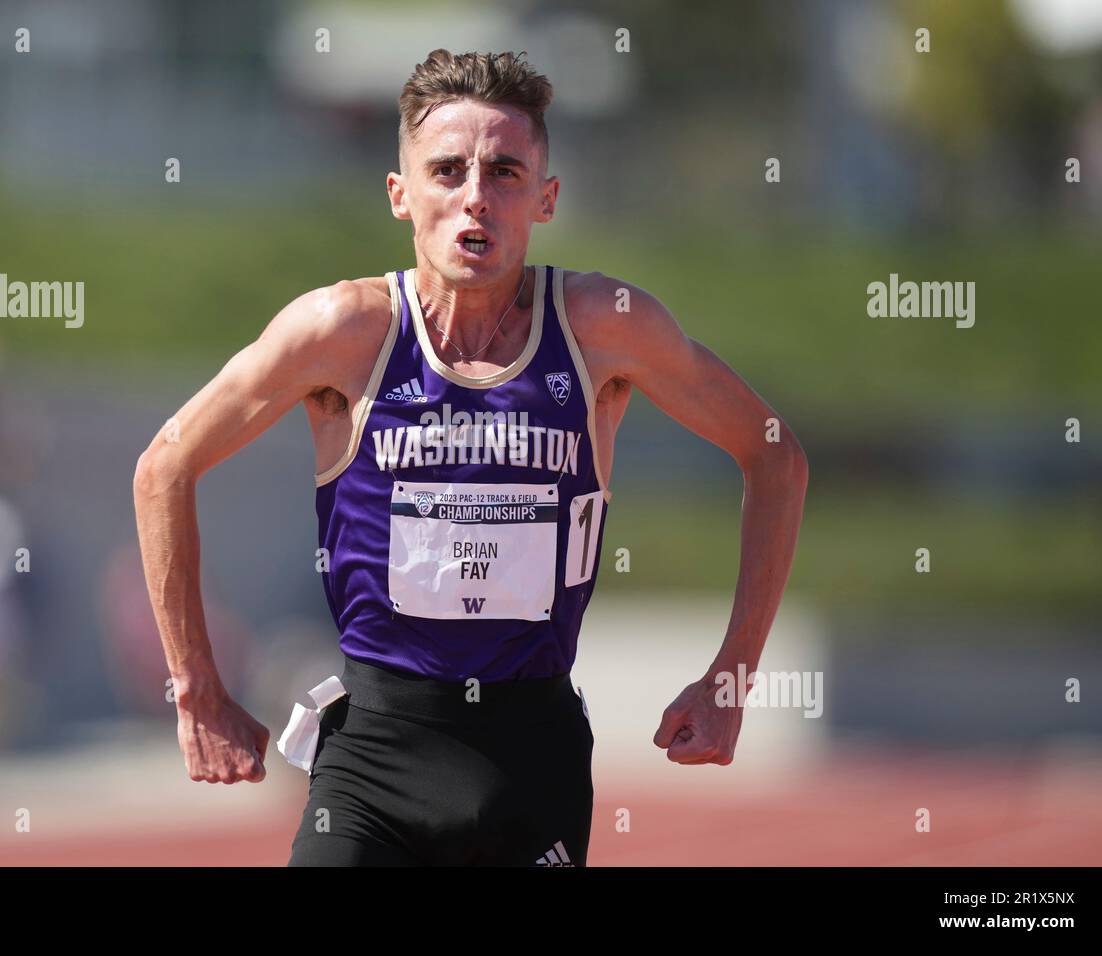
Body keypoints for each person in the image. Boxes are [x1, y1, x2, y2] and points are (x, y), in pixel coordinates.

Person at [132, 49, 808, 866]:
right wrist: (196, 689)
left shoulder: (602, 328)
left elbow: (775, 458)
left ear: (546, 198)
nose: (474, 199)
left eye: (505, 172)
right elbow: (165, 465)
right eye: (447, 171)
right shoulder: (345, 333)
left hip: (531, 760)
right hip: (375, 753)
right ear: (400, 193)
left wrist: (729, 678)